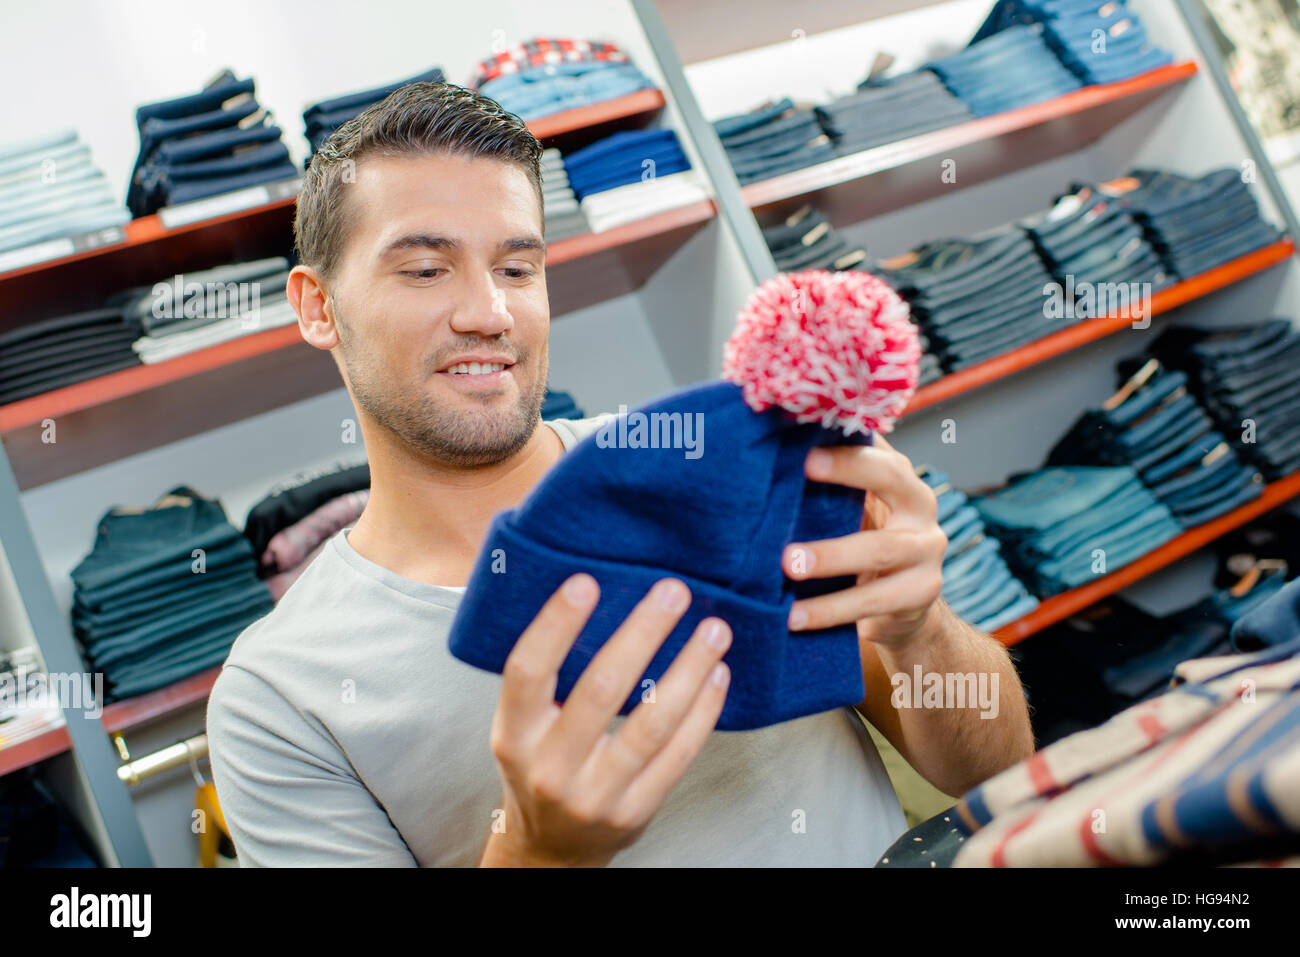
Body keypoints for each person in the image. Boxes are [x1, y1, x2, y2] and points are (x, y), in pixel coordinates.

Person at [206, 82, 1033, 867]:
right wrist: (544, 849)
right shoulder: (277, 697)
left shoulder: (718, 474)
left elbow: (995, 766)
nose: (489, 312)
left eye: (518, 267)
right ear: (317, 307)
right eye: (426, 269)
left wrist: (919, 629)